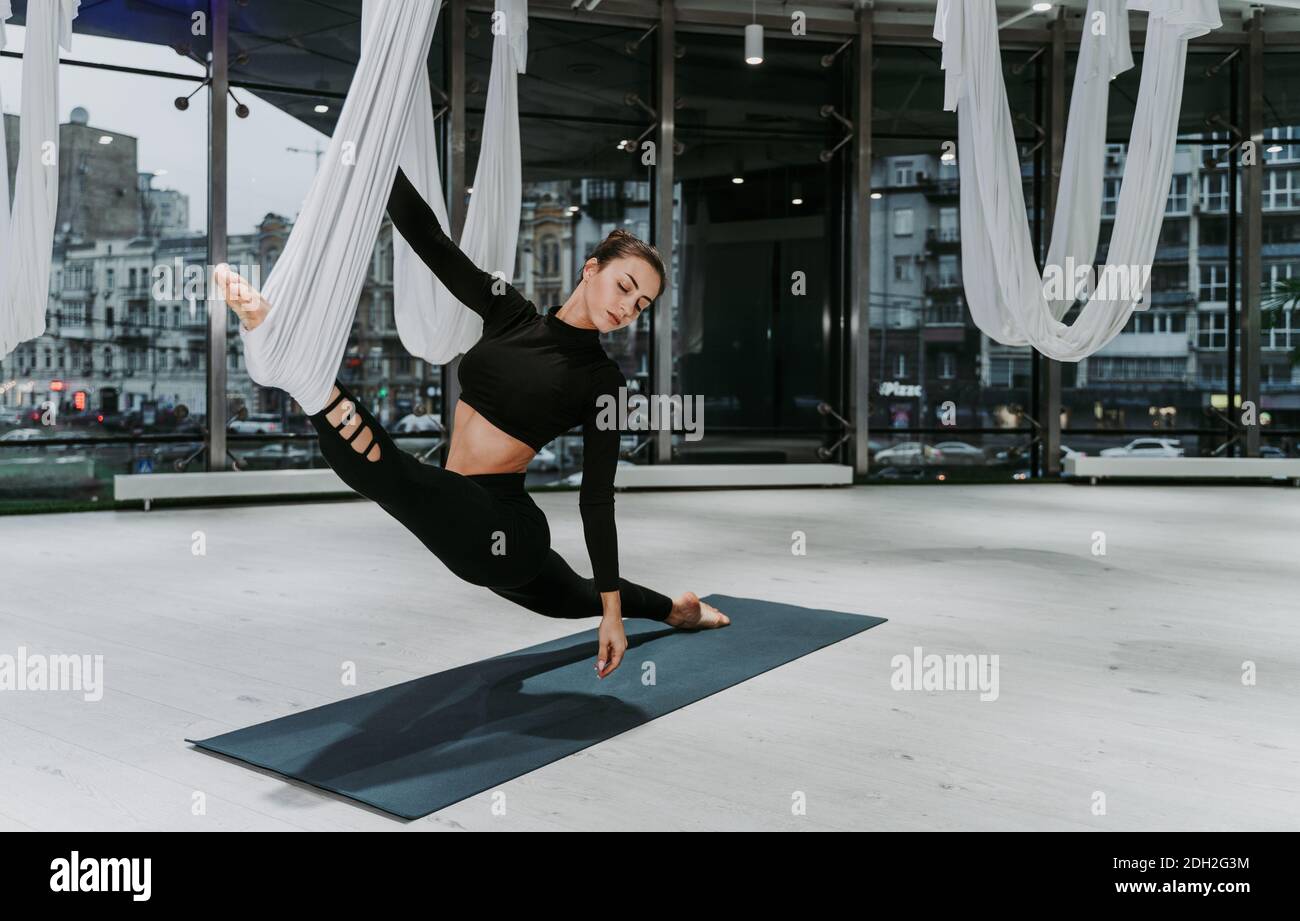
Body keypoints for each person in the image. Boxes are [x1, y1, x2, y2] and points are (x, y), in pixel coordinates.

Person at [216, 167, 727, 680]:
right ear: (591, 269)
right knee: (571, 595)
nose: (627, 308)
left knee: (393, 476)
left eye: (641, 305)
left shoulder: (602, 380)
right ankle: (673, 609)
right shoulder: (510, 311)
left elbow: (596, 497)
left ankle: (299, 364)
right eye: (625, 286)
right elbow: (432, 241)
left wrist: (613, 615)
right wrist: (376, 157)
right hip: (461, 516)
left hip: (506, 526)